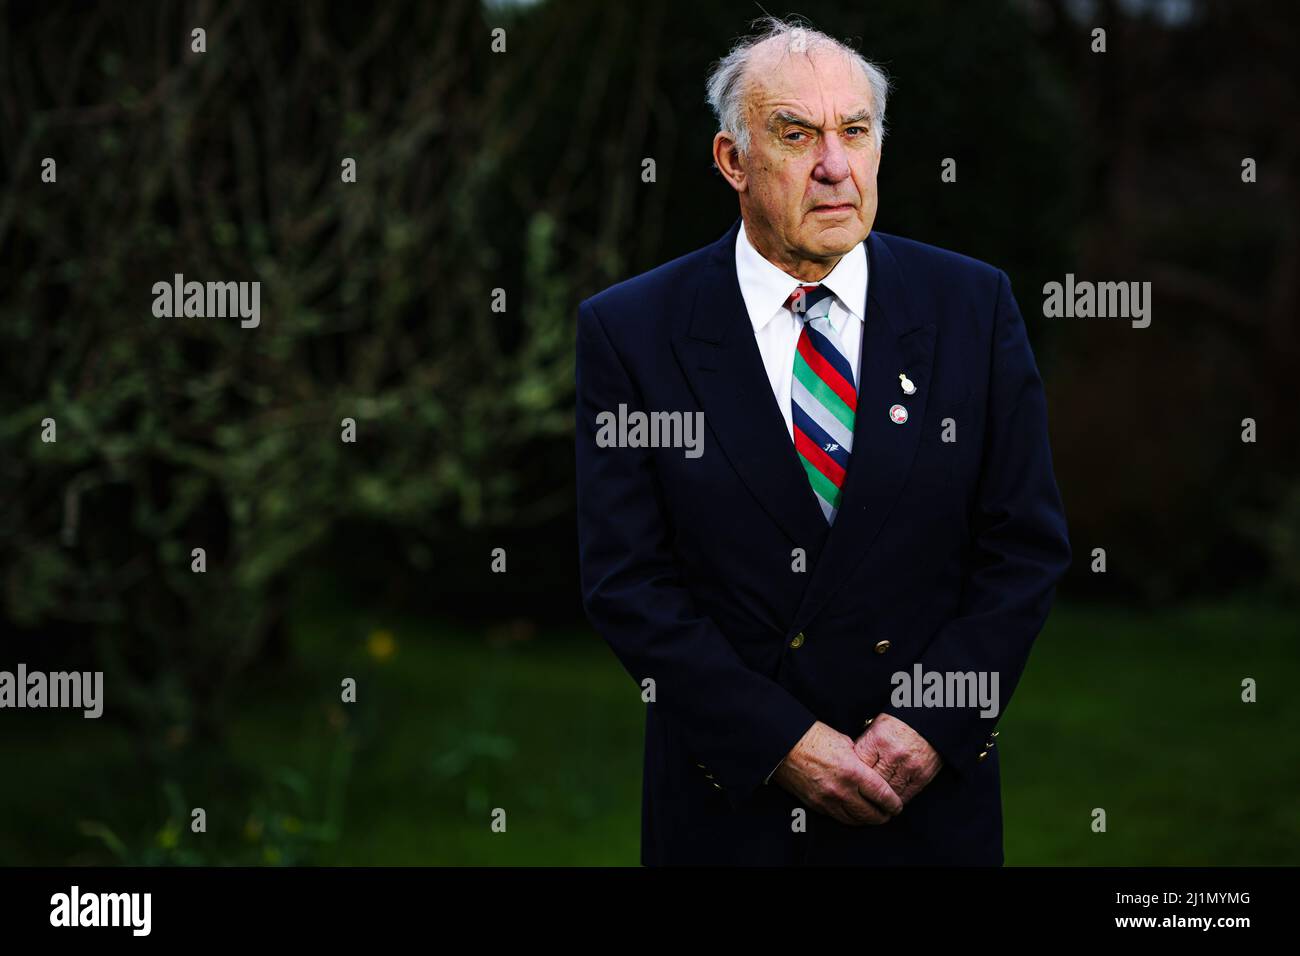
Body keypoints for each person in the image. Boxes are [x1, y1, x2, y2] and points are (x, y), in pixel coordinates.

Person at [574, 16, 1071, 865]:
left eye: (856, 132)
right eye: (796, 134)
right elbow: (629, 583)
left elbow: (1022, 549)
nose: (835, 166)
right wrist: (783, 744)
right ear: (733, 160)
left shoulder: (970, 307)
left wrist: (933, 721)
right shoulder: (634, 330)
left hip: (925, 805)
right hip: (730, 810)